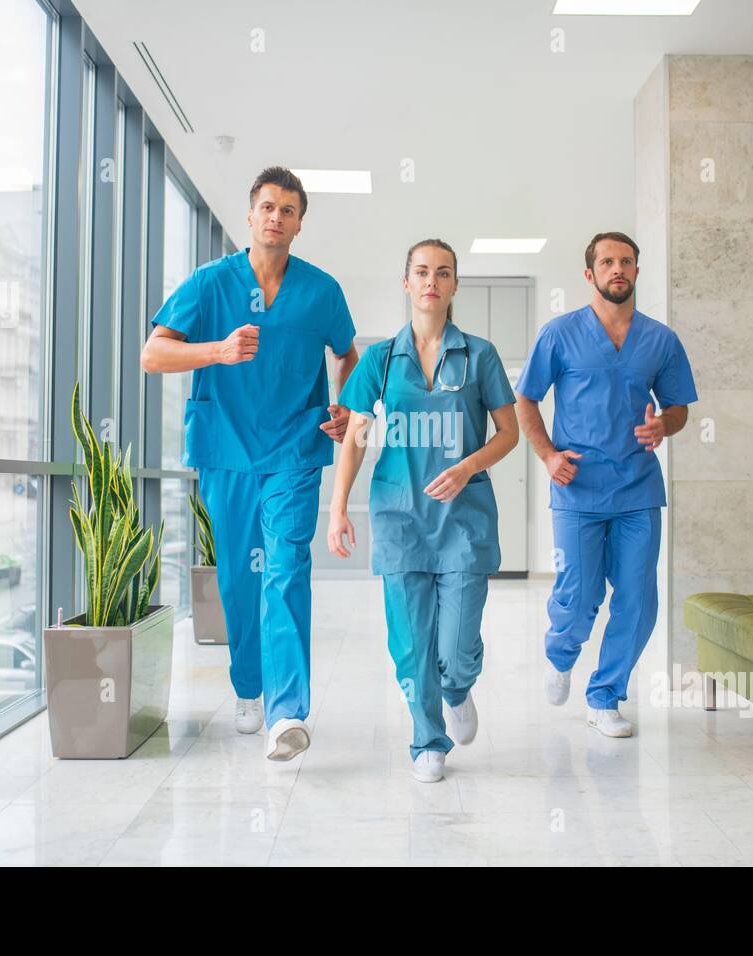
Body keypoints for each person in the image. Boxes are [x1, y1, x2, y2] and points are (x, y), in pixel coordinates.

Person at [140, 166, 359, 761]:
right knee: (241, 575)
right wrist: (216, 350)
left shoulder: (320, 291)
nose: (276, 218)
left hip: (293, 450)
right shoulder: (211, 284)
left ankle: (287, 712)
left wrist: (344, 404)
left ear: (299, 222)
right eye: (267, 206)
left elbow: (348, 355)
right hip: (227, 452)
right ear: (250, 214)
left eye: (288, 210)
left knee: (286, 568)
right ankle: (248, 686)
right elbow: (152, 353)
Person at [327, 239, 518, 782]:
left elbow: (508, 434)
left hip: (465, 519)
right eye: (421, 272)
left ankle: (457, 688)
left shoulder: (479, 355)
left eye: (443, 272)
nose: (431, 280)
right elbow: (356, 436)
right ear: (406, 283)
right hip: (400, 517)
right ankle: (426, 739)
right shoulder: (382, 360)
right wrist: (338, 508)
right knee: (410, 645)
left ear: (455, 285)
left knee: (456, 645)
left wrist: (466, 467)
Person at [514, 231, 697, 737]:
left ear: (637, 271)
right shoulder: (559, 334)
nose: (618, 269)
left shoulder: (661, 340)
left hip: (638, 490)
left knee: (638, 599)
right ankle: (561, 651)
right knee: (579, 597)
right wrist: (548, 456)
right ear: (589, 274)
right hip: (577, 487)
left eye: (627, 261)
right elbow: (525, 401)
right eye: (607, 261)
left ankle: (605, 695)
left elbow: (679, 407)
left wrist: (665, 424)